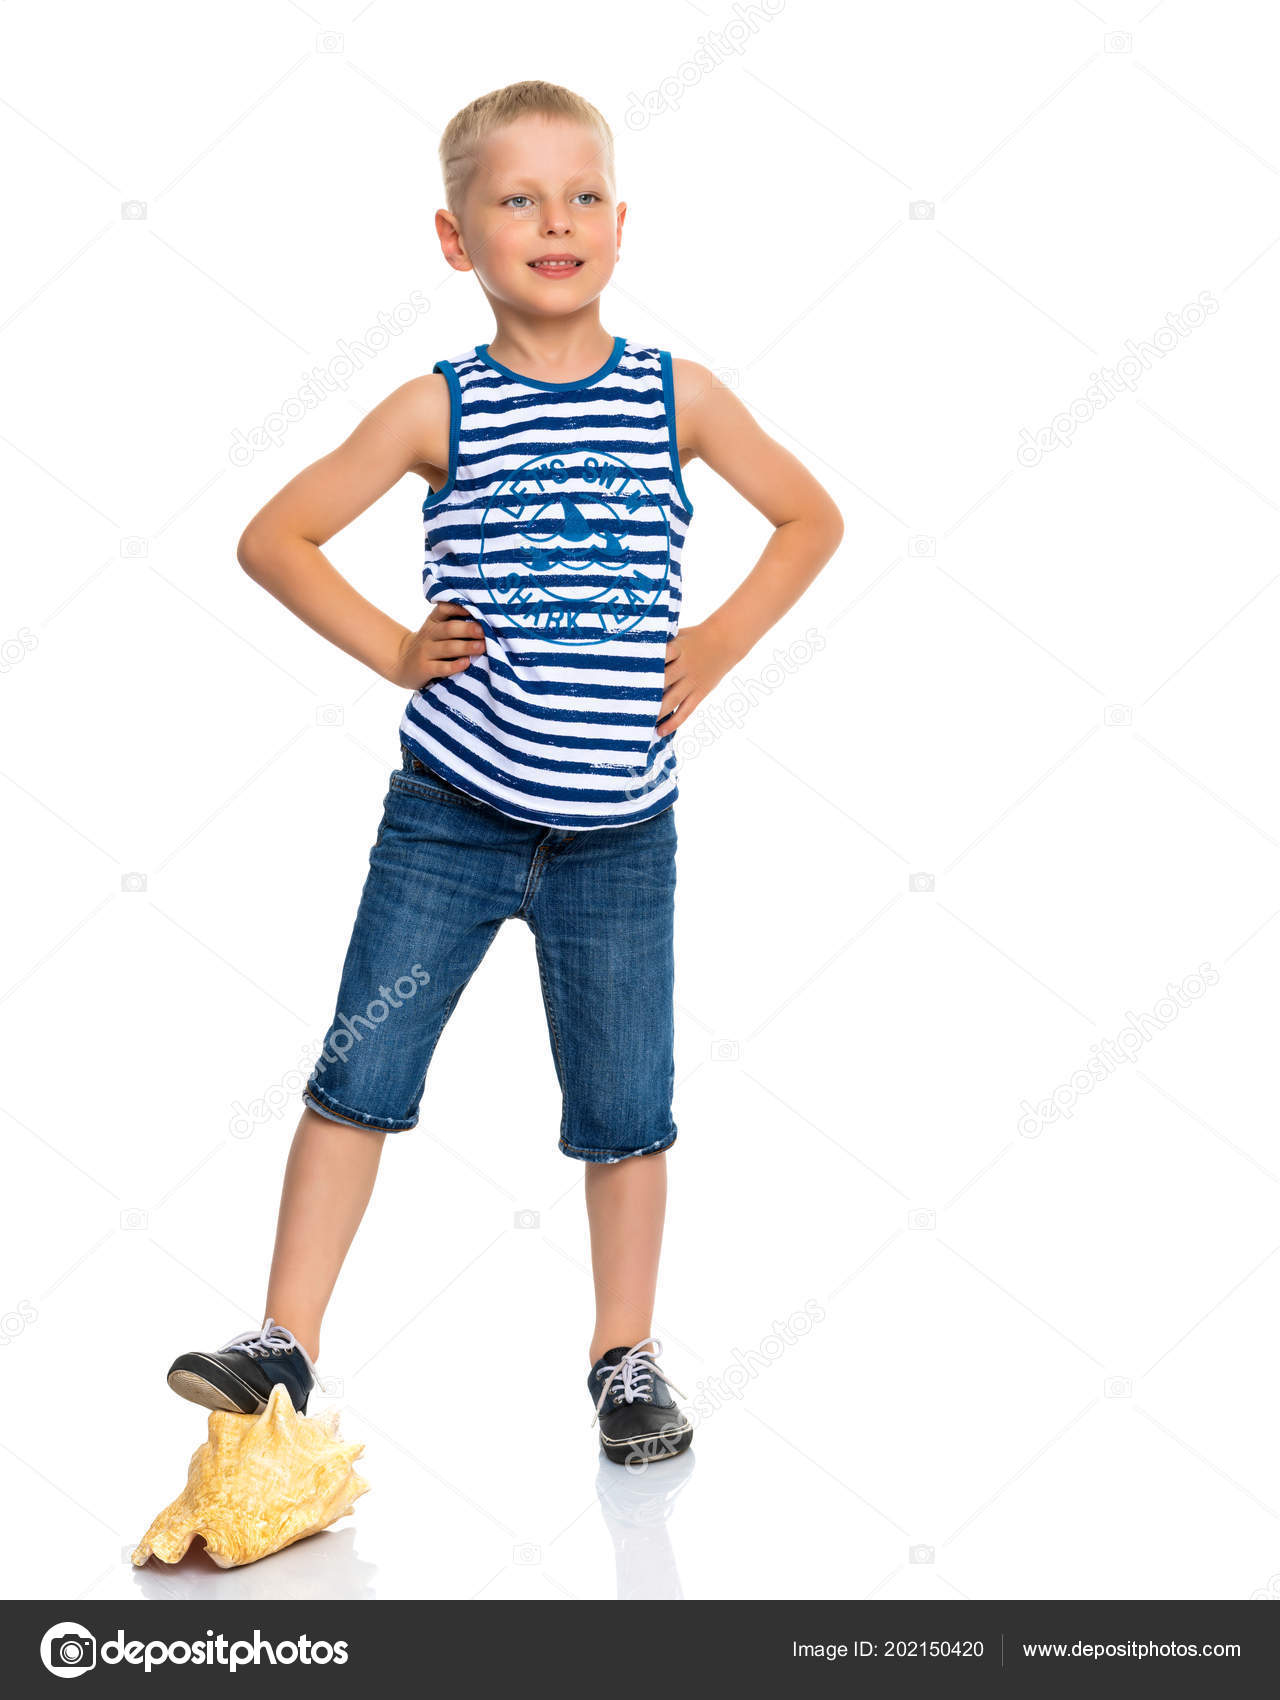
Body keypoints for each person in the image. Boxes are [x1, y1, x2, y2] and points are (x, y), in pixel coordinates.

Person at [166, 78, 844, 1464]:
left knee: (625, 1106)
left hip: (618, 834)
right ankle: (283, 1342)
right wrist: (393, 649)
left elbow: (809, 516)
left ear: (622, 225)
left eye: (583, 196)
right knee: (361, 1068)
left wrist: (716, 642)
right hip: (451, 817)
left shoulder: (677, 396)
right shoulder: (442, 408)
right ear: (455, 237)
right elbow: (275, 537)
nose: (556, 222)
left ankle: (624, 1356)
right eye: (518, 200)